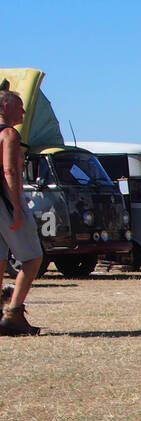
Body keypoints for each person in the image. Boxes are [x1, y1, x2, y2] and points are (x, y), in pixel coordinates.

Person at [0, 90, 43, 336]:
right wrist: (16, 207)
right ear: (5, 106)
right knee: (33, 257)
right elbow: (10, 171)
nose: (24, 112)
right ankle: (13, 312)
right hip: (5, 200)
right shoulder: (9, 134)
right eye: (19, 106)